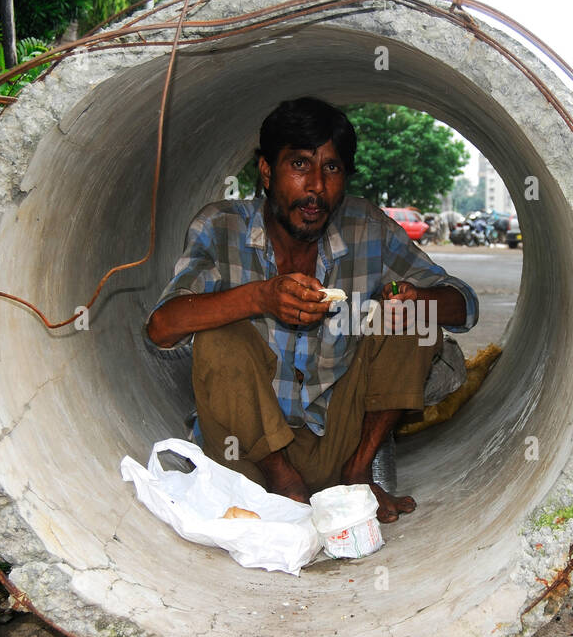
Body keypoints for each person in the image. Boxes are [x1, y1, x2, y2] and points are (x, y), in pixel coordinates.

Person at [145, 97, 479, 522]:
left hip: (339, 441)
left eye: (332, 168)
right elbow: (162, 328)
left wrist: (418, 299)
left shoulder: (366, 227)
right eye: (300, 165)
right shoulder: (220, 227)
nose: (317, 186)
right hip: (248, 452)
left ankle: (359, 473)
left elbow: (464, 303)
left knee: (410, 320)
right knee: (216, 329)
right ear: (266, 171)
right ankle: (284, 480)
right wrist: (259, 297)